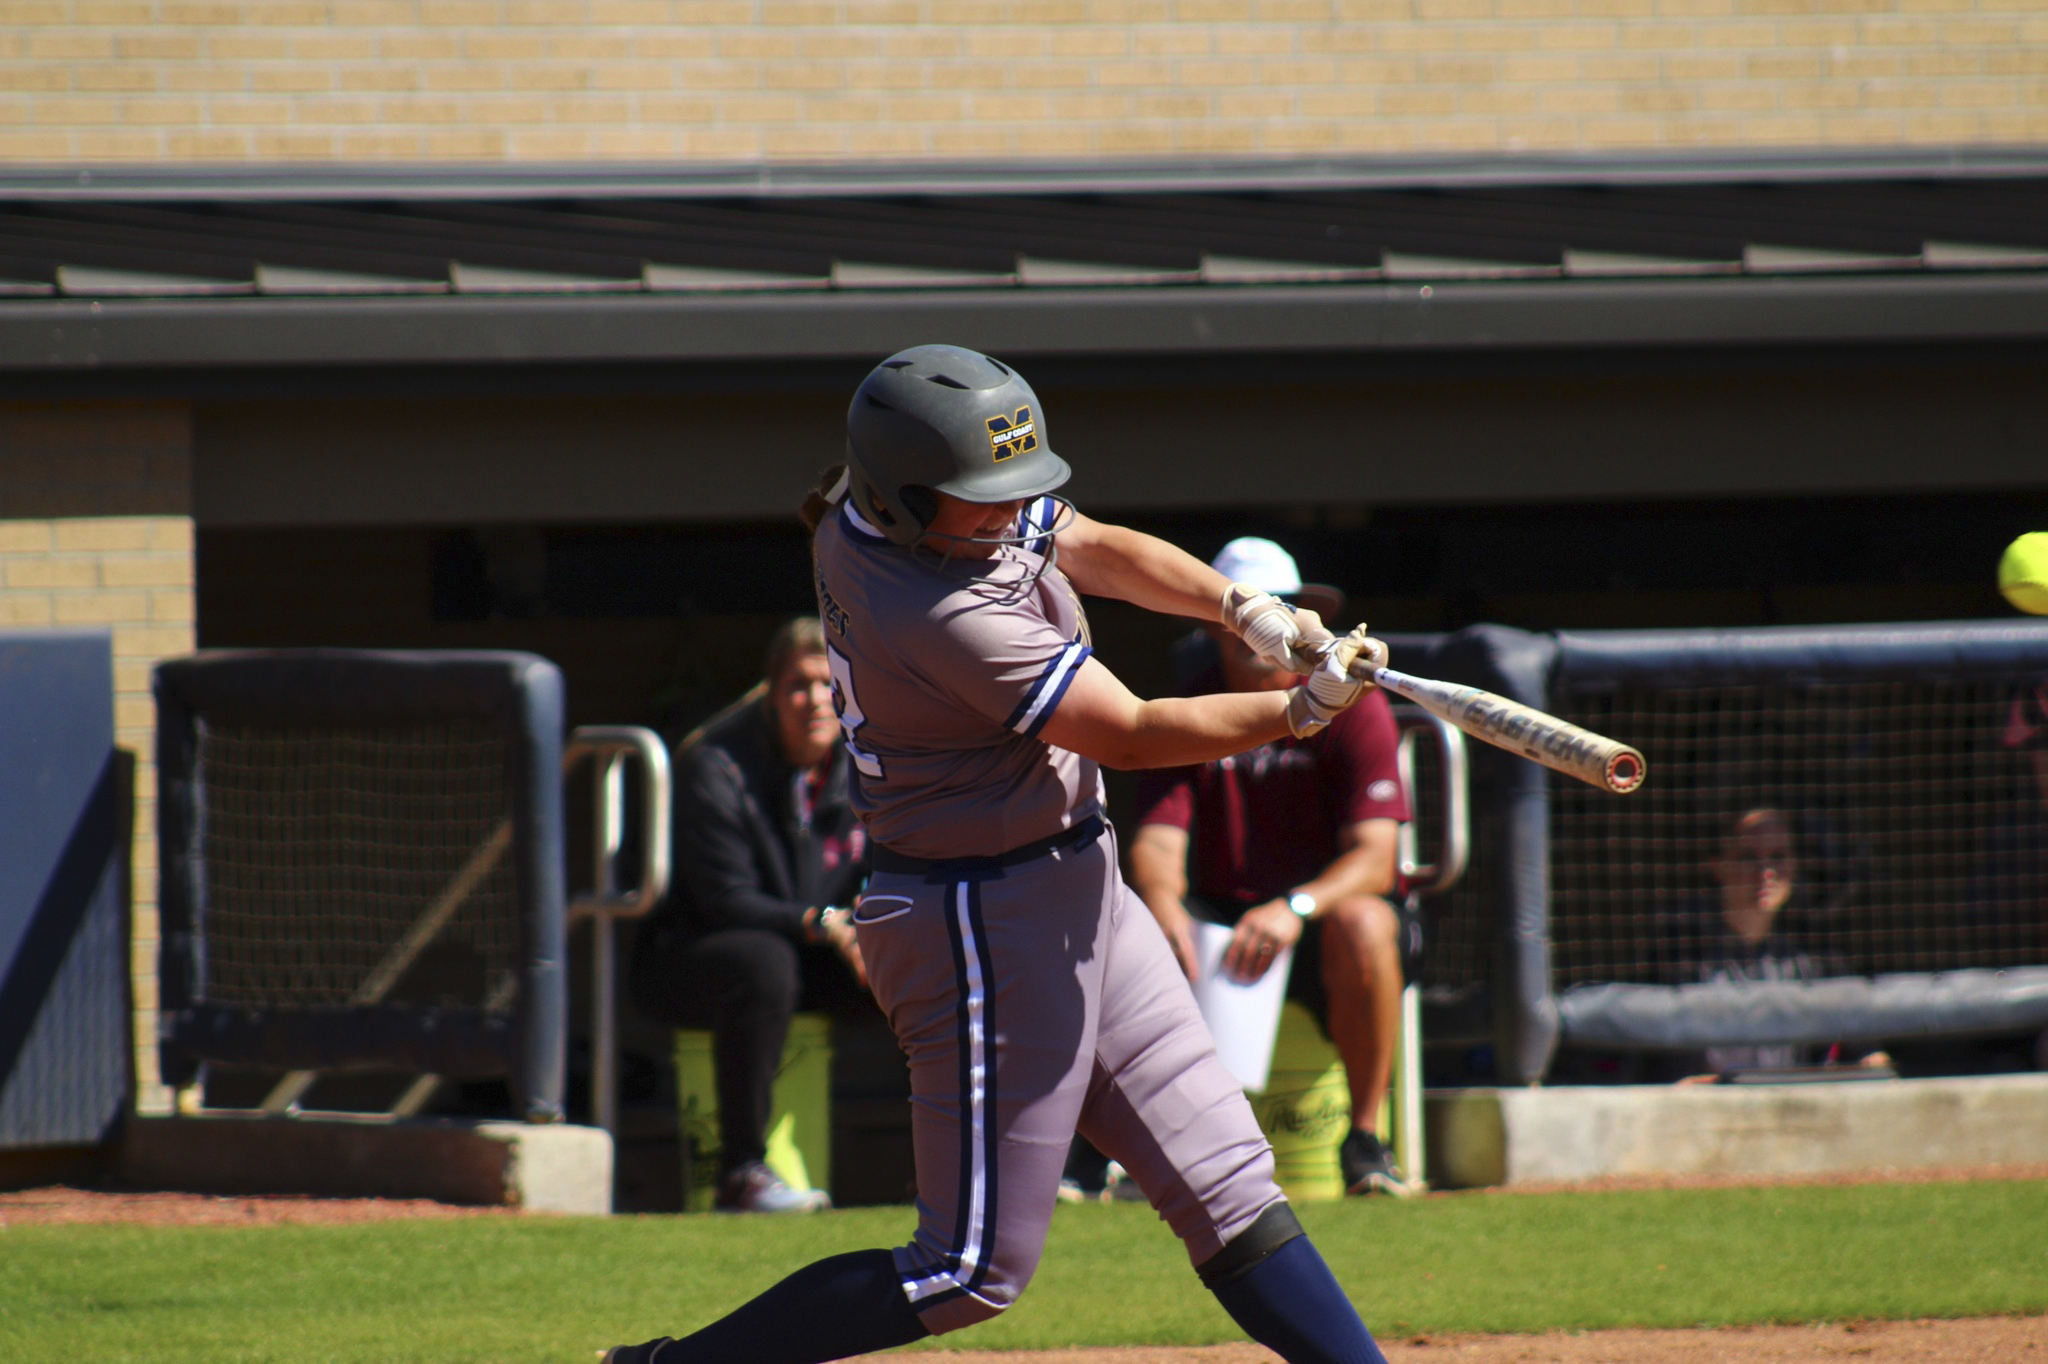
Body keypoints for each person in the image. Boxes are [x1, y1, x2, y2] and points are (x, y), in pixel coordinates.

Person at [603, 344, 1392, 1364]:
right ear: (899, 497)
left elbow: (1088, 540)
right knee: (968, 1268)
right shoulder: (931, 609)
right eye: (977, 498)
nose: (1003, 512)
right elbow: (1131, 730)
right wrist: (1296, 707)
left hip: (1076, 881)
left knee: (1227, 1181)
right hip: (978, 920)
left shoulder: (893, 498)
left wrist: (1239, 608)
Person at [1129, 536, 1415, 1196]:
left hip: (1316, 921)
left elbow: (1377, 858)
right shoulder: (1186, 707)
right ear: (1214, 622)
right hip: (1222, 930)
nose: (1262, 628)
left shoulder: (1351, 702)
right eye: (1245, 610)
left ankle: (1367, 1142)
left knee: (1367, 924)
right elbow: (1157, 845)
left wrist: (1295, 908)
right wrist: (1164, 910)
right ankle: (1134, 1158)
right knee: (1132, 931)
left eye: (1278, 609)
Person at [628, 617, 872, 1213]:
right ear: (771, 693)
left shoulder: (869, 766)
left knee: (928, 958)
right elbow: (724, 899)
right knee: (765, 962)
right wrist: (822, 921)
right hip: (694, 957)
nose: (815, 700)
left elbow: (895, 864)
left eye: (829, 684)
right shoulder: (717, 764)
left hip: (811, 955)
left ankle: (955, 1170)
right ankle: (741, 1175)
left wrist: (878, 918)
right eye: (798, 685)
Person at [1655, 807, 1885, 1082]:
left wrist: (1871, 1065)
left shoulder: (1818, 959)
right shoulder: (1683, 959)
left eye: (1778, 857)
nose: (1766, 871)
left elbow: (1867, 1054)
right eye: (1748, 857)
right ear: (1717, 866)